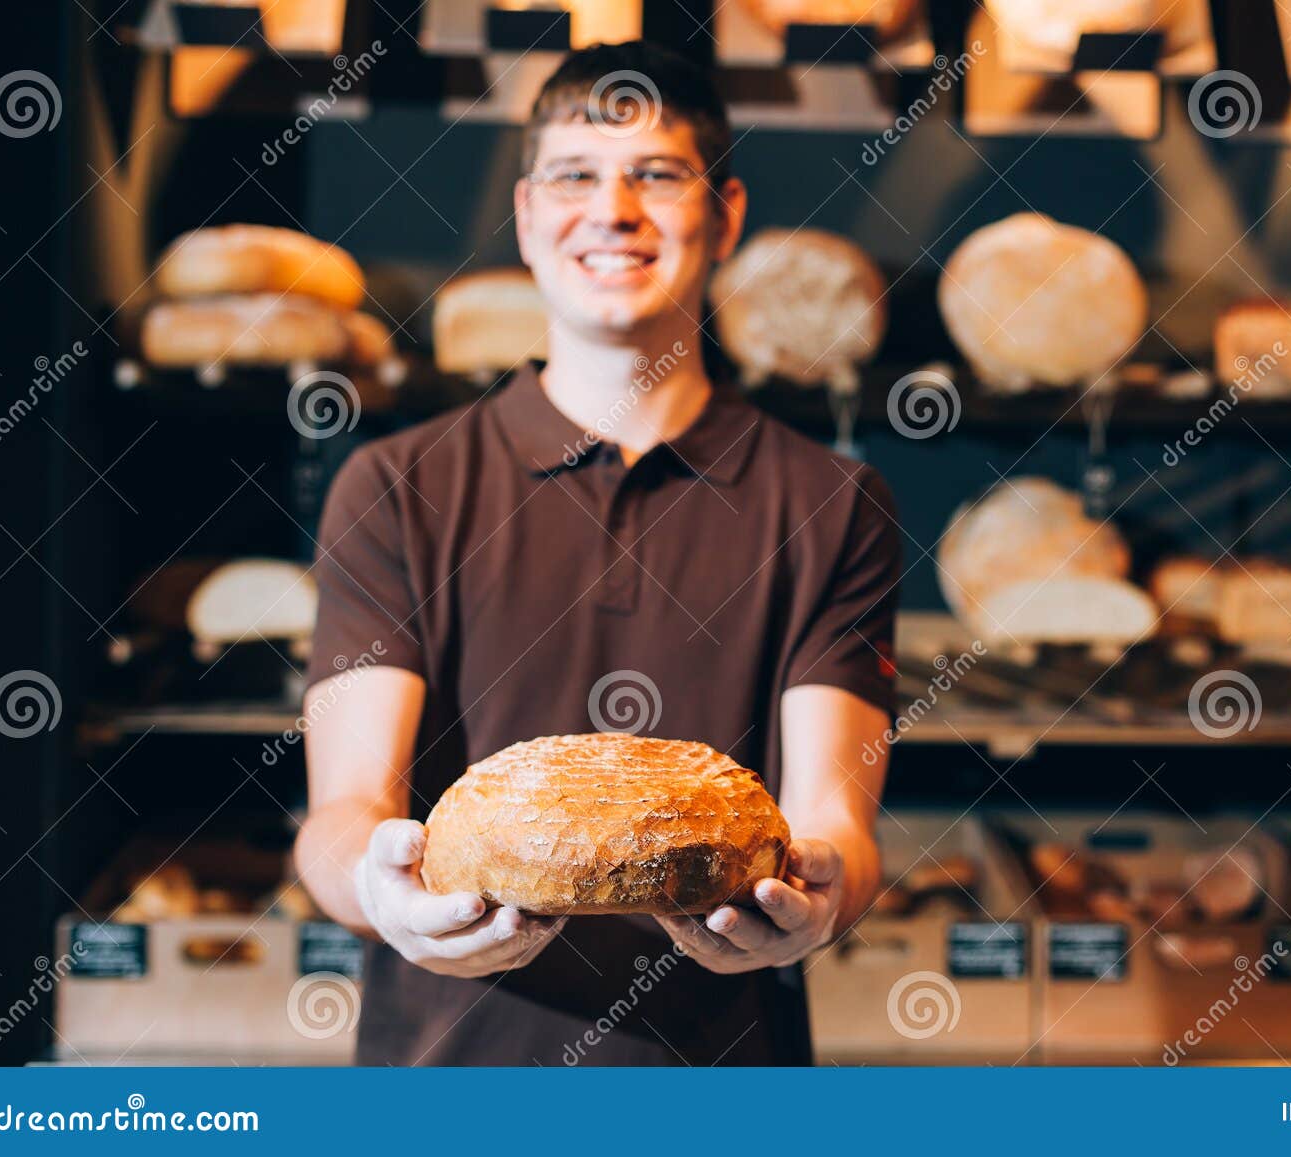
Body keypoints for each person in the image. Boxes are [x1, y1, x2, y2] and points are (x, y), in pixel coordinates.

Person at [294, 39, 902, 1066]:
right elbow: (343, 812)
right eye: (576, 176)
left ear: (727, 215)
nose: (612, 211)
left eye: (657, 175)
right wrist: (380, 889)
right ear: (529, 216)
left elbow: (833, 815)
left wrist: (822, 890)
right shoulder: (399, 487)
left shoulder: (830, 500)